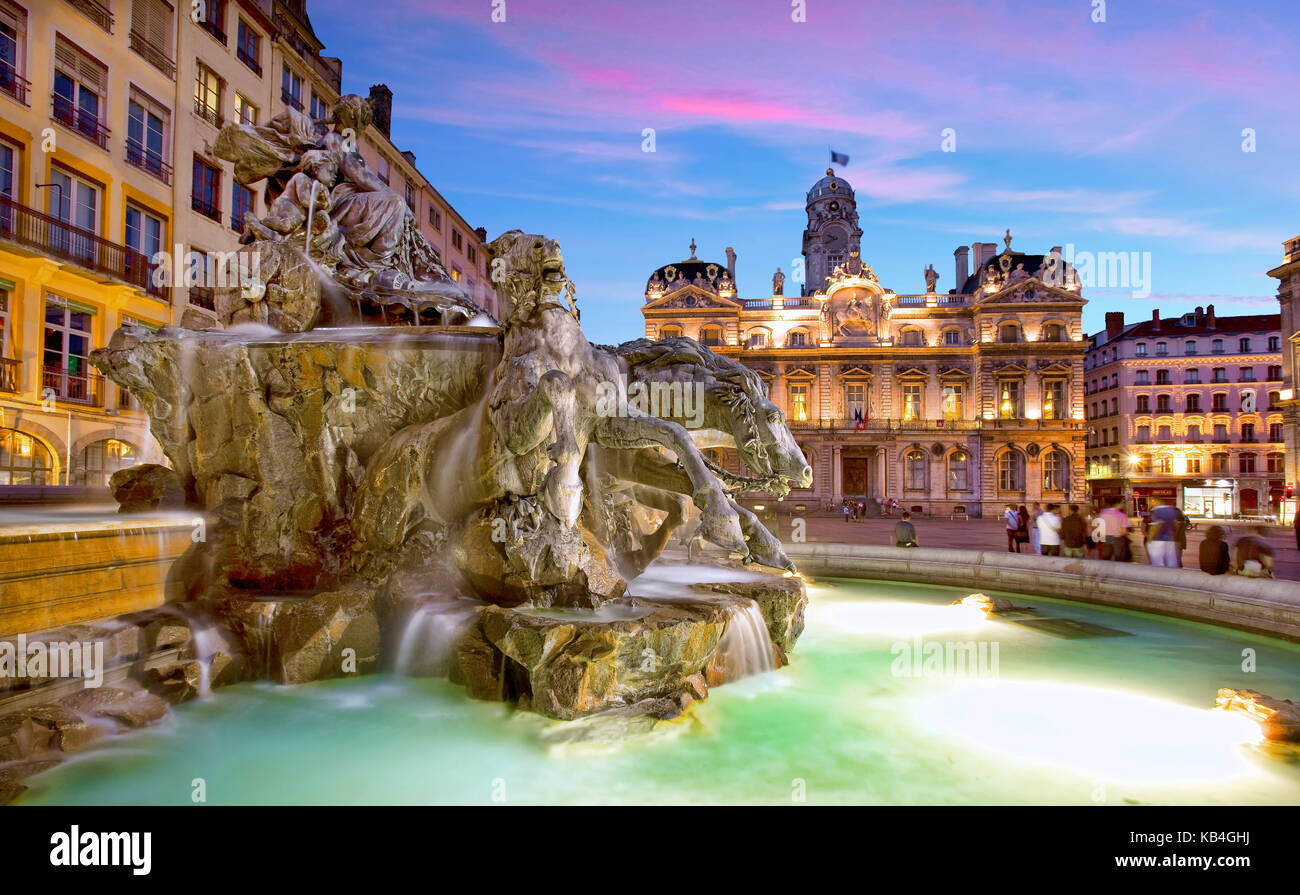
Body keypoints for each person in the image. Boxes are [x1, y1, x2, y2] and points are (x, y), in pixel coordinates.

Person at [1144, 496, 1184, 568]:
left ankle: (1160, 577)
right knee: (1171, 562)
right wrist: (1173, 536)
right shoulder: (1173, 510)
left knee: (1157, 562)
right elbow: (1176, 525)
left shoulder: (1156, 511)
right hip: (1170, 540)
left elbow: (1157, 525)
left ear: (1154, 501)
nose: (1149, 503)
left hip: (1157, 541)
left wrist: (1150, 538)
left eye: (1149, 501)